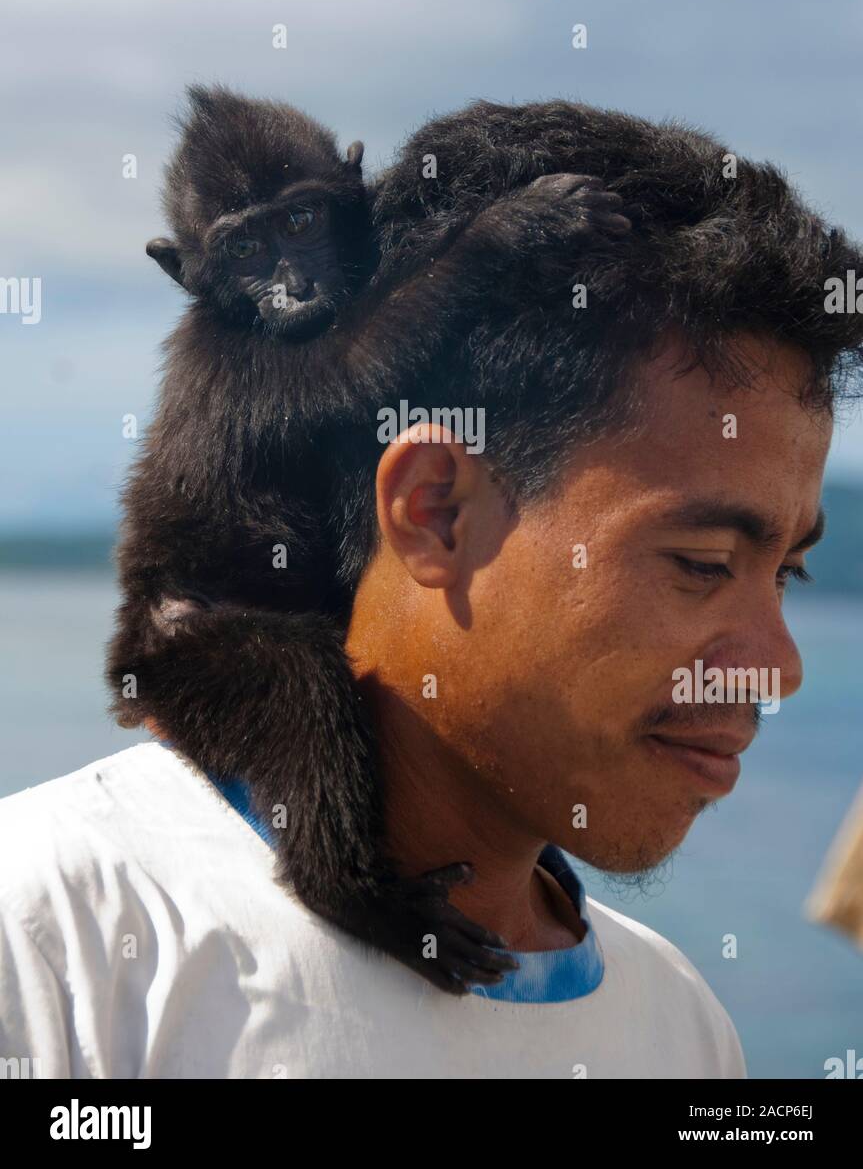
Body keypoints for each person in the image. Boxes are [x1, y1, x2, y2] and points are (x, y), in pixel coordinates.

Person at [1, 104, 861, 1079]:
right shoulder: (53, 950)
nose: (773, 668)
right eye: (702, 563)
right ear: (435, 513)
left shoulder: (683, 1029)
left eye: (785, 570)